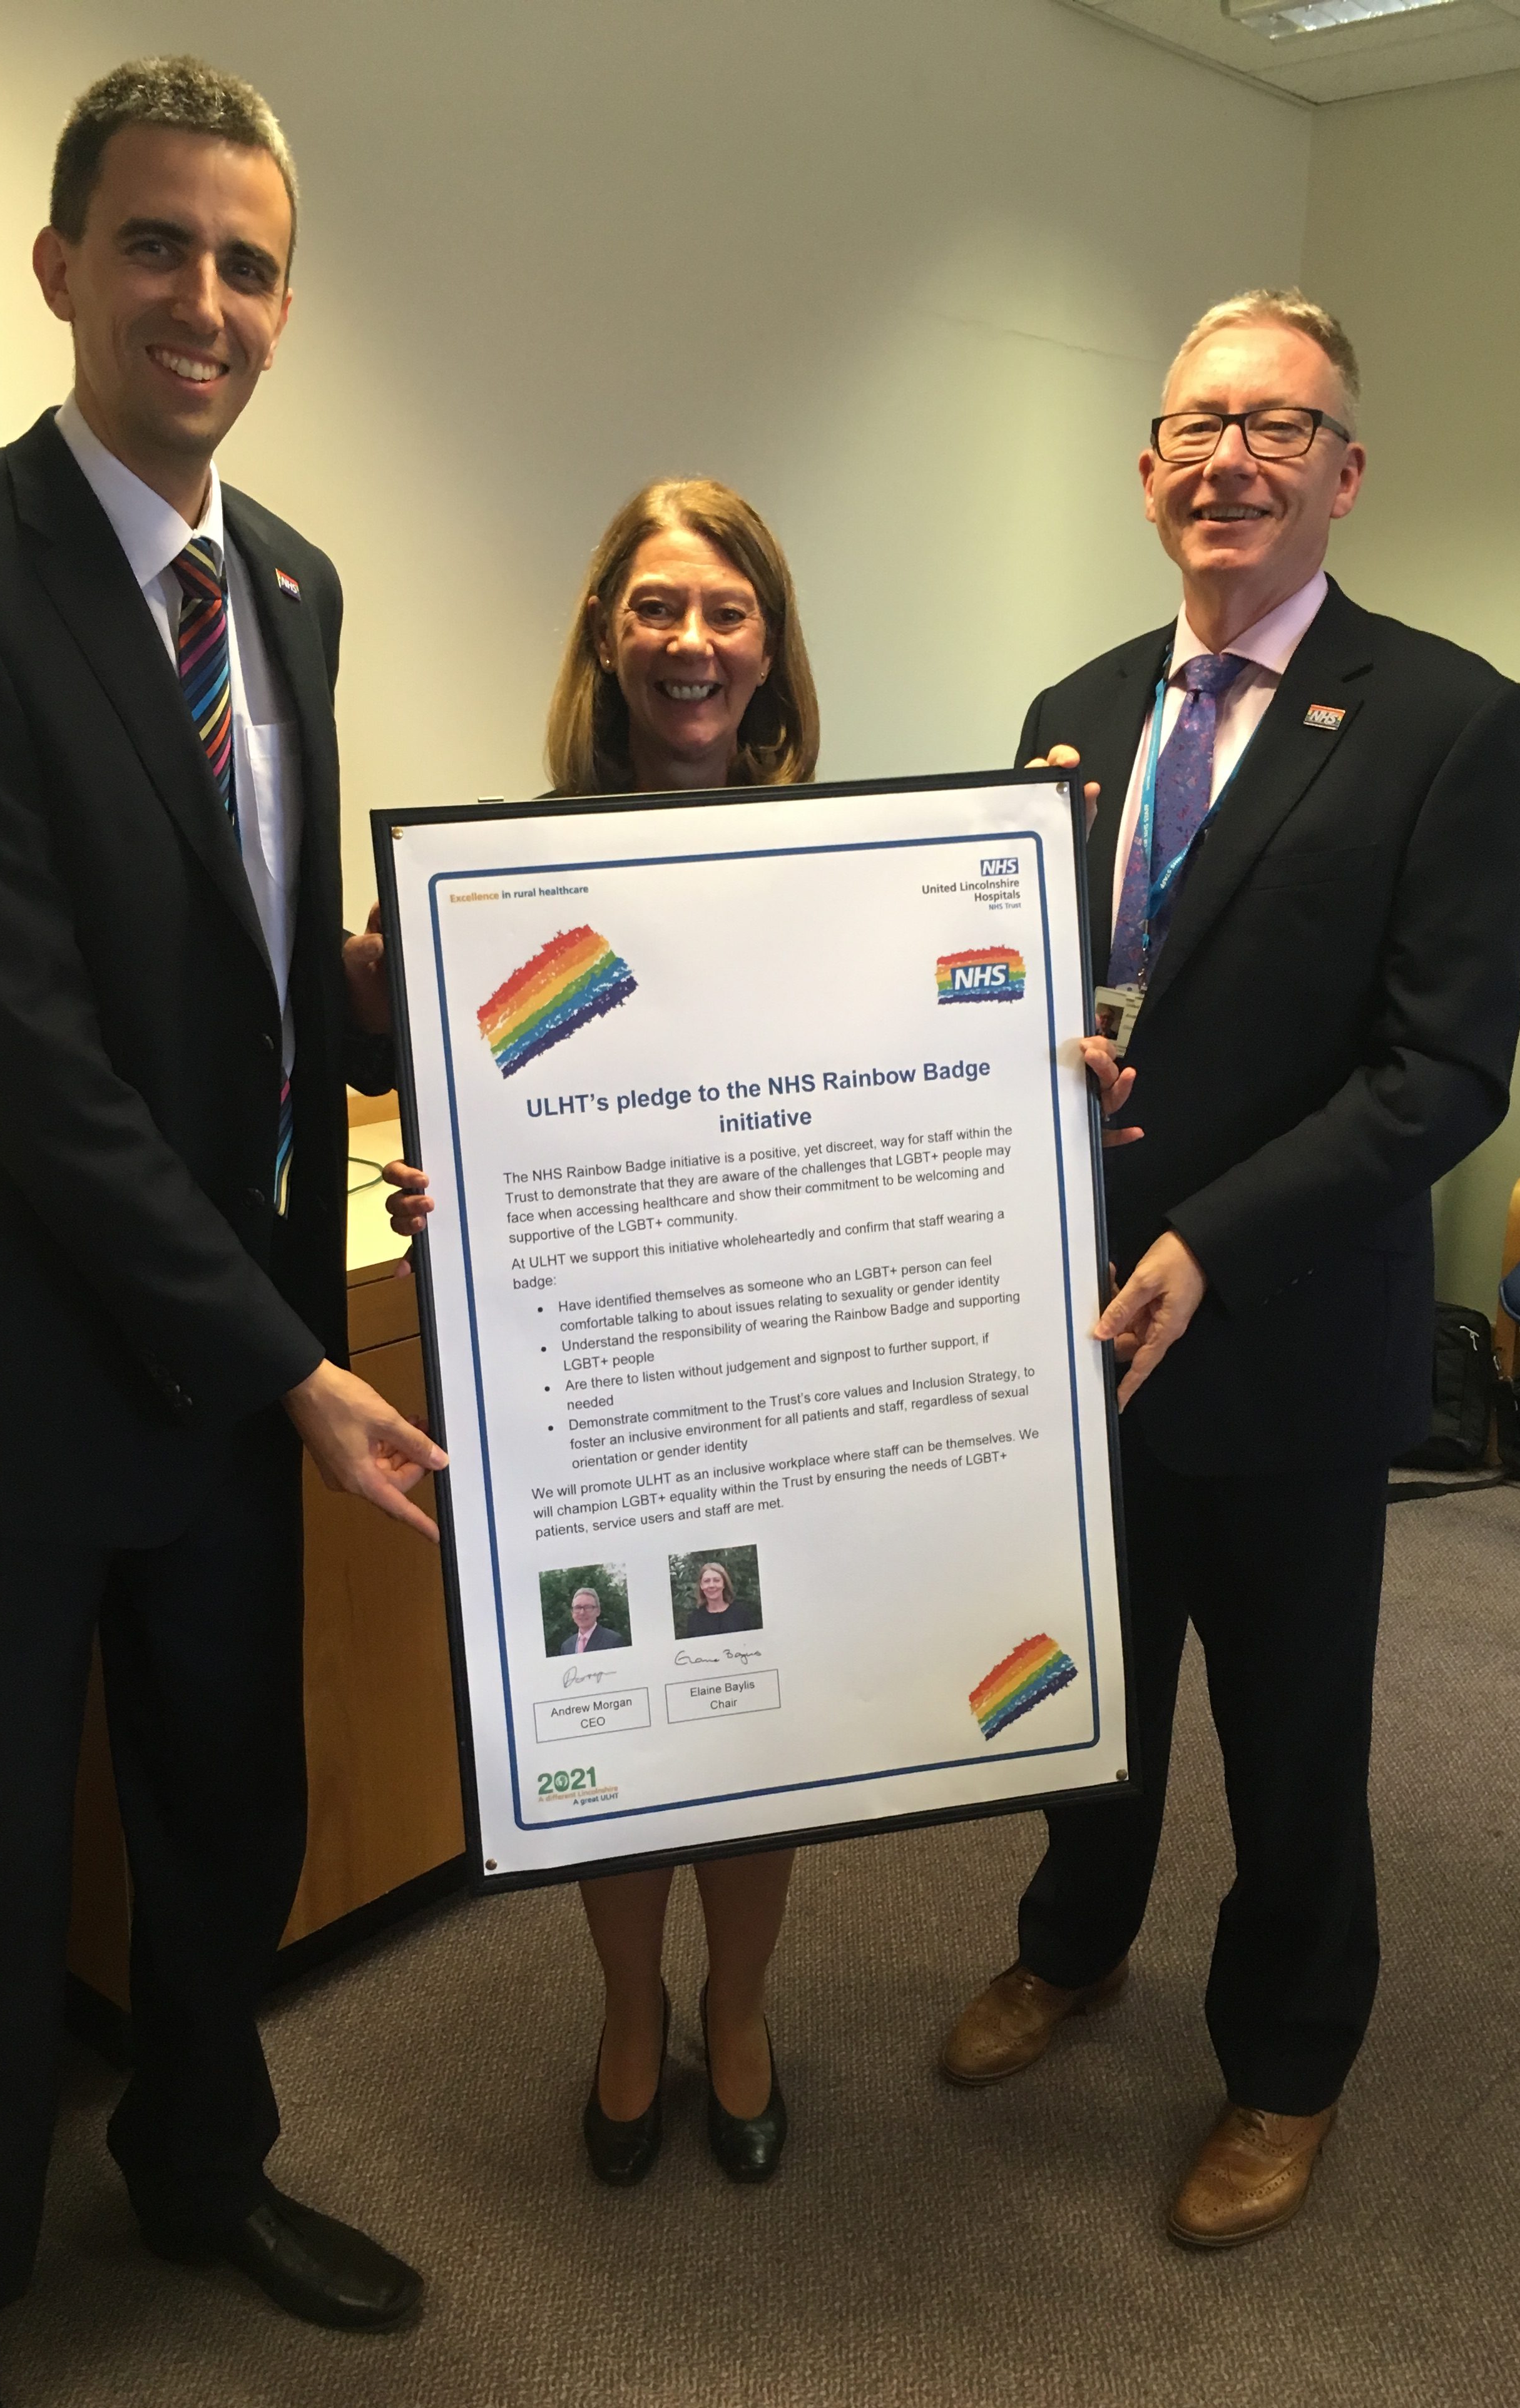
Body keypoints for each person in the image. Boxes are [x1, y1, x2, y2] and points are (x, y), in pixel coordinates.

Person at [0, 59, 446, 2408]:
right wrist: (299, 1358)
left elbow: (268, 970)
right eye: (165, 247)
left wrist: (565, 1002)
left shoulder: (284, 581)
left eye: (253, 262)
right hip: (20, 1374)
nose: (211, 301)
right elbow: (30, 1049)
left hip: (225, 1362)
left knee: (228, 1809)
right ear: (66, 266)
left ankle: (200, 2171)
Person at [939, 290, 1520, 2247]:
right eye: (1200, 425)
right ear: (1146, 473)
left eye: (1281, 427)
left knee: (1295, 1737)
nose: (1234, 459)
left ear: (1346, 472)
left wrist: (1211, 1232)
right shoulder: (1073, 710)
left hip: (1279, 1325)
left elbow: (1439, 1068)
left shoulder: (1450, 716)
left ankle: (1283, 2066)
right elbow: (1031, 1002)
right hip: (1079, 1328)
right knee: (1086, 1687)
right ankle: (1073, 1940)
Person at [554, 479, 819, 2185]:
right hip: (604, 1377)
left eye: (726, 611)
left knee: (753, 1710)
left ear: (772, 650)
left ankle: (738, 2003)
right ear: (606, 637)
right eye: (657, 608)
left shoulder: (835, 871)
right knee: (620, 1698)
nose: (692, 643)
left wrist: (1027, 1105)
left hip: (770, 1361)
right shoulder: (521, 873)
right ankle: (630, 2004)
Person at [680, 1561, 759, 1638]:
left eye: (717, 1580)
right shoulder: (694, 1619)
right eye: (707, 1581)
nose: (712, 1585)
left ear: (724, 1584)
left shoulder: (741, 1614)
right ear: (701, 1586)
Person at [554, 1585, 629, 1656]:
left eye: (588, 1607)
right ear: (572, 1613)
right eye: (578, 1607)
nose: (582, 1612)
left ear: (598, 1611)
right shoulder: (566, 1646)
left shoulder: (613, 1641)